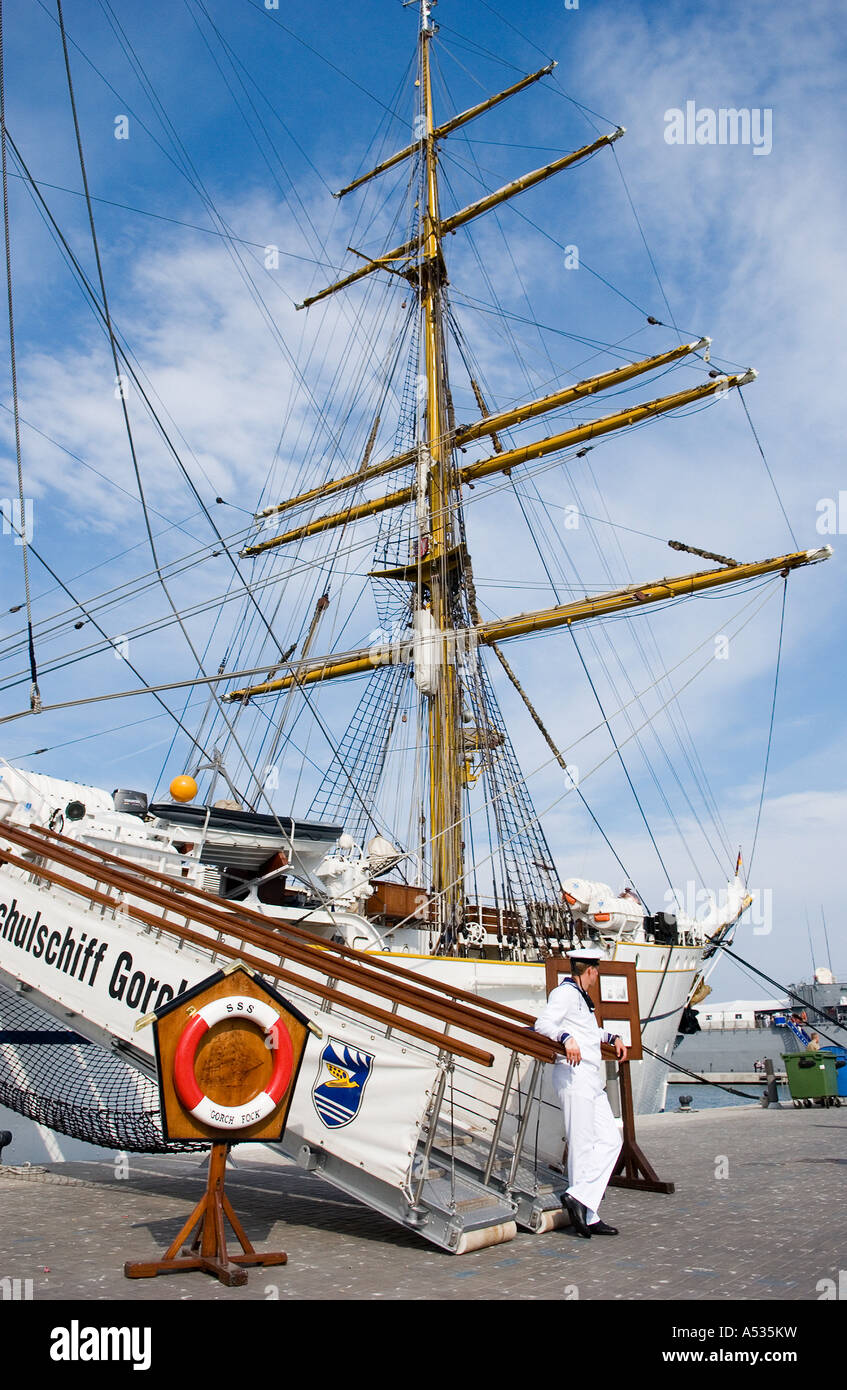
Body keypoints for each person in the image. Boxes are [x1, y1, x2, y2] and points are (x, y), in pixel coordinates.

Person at [534, 947, 628, 1238]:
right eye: (597, 970)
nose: (598, 975)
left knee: (612, 1140)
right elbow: (543, 1024)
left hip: (589, 1078)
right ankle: (587, 1215)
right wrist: (565, 1037)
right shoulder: (564, 994)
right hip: (573, 1077)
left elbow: (588, 1032)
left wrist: (612, 1036)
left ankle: (580, 1199)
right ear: (589, 970)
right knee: (582, 1145)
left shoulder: (580, 997)